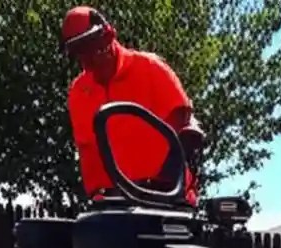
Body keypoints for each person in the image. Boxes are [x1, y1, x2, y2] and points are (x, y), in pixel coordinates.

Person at [61, 6, 205, 204]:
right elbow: (88, 153)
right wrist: (97, 195)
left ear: (110, 35)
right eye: (84, 52)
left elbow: (186, 130)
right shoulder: (79, 93)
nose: (95, 56)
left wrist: (164, 181)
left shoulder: (151, 69)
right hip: (115, 203)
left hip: (165, 197)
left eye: (98, 45)